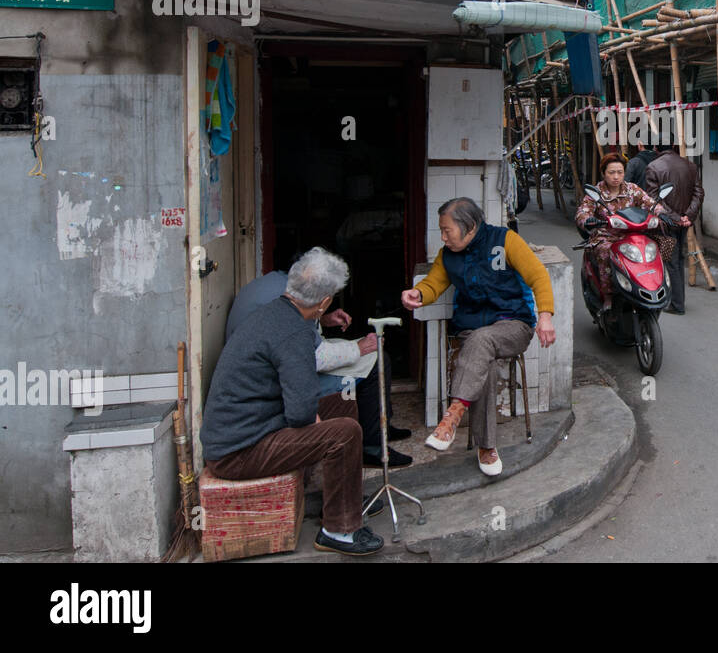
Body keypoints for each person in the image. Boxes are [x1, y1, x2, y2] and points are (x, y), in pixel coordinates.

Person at [202, 247, 383, 556]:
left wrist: (314, 416)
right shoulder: (294, 332)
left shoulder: (274, 311)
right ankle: (338, 530)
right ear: (324, 301)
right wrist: (314, 421)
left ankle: (345, 499)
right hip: (237, 451)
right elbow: (300, 413)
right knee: (345, 433)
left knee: (342, 404)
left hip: (252, 426)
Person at [400, 198, 556, 476]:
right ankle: (486, 446)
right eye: (441, 231)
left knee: (481, 343)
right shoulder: (448, 254)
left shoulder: (505, 240)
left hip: (513, 325)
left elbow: (538, 276)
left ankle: (453, 415)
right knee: (480, 354)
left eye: (447, 230)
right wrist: (419, 294)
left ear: (469, 226)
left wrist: (545, 315)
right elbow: (434, 282)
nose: (444, 237)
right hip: (473, 329)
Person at [226, 266, 414, 468]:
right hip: (273, 383)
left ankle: (379, 424)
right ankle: (372, 446)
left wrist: (323, 318)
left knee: (370, 357)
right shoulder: (283, 303)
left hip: (264, 374)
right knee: (376, 359)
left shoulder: (274, 286)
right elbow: (312, 358)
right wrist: (358, 348)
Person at [575, 153, 675, 312]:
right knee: (604, 252)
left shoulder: (632, 189)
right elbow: (583, 212)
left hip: (633, 235)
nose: (616, 177)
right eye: (611, 172)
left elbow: (649, 202)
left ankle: (653, 286)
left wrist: (661, 212)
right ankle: (608, 296)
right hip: (607, 236)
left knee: (660, 245)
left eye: (620, 172)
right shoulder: (596, 192)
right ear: (604, 173)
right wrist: (587, 220)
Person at [642, 145, 703, 314]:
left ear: (655, 148)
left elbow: (653, 199)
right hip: (682, 222)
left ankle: (677, 304)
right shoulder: (690, 165)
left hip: (666, 223)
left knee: (672, 261)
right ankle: (677, 300)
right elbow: (699, 193)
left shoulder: (653, 167)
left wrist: (676, 218)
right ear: (675, 146)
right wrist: (687, 216)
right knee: (677, 260)